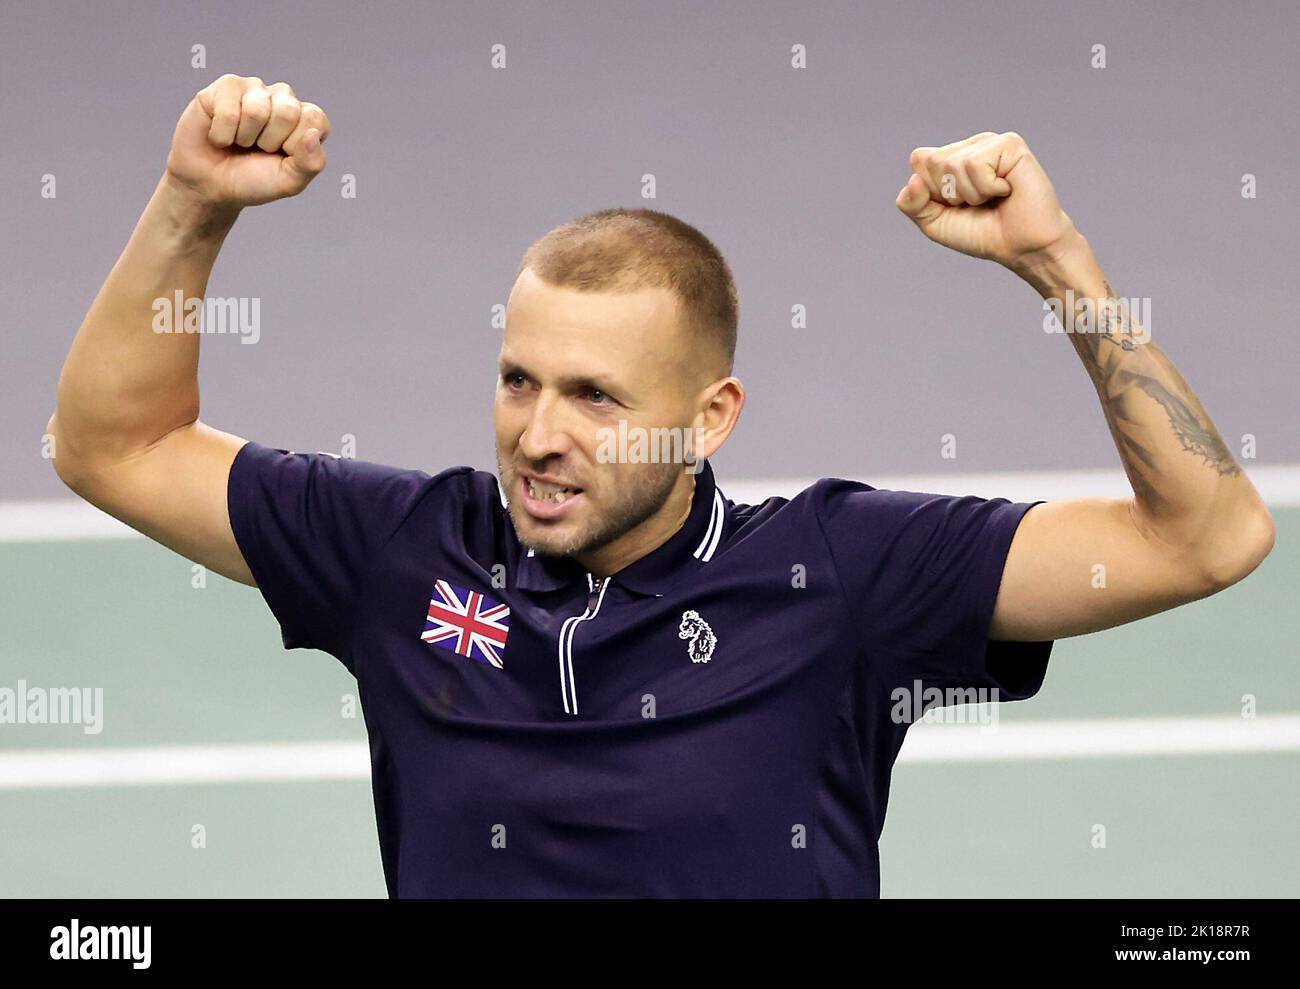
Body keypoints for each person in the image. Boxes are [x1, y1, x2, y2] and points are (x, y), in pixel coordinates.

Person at [47, 74, 1274, 897]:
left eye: (596, 397)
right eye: (518, 379)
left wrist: (1058, 264)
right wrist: (193, 204)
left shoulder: (840, 573)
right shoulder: (405, 550)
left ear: (711, 419)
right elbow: (116, 446)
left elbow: (1204, 538)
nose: (536, 434)